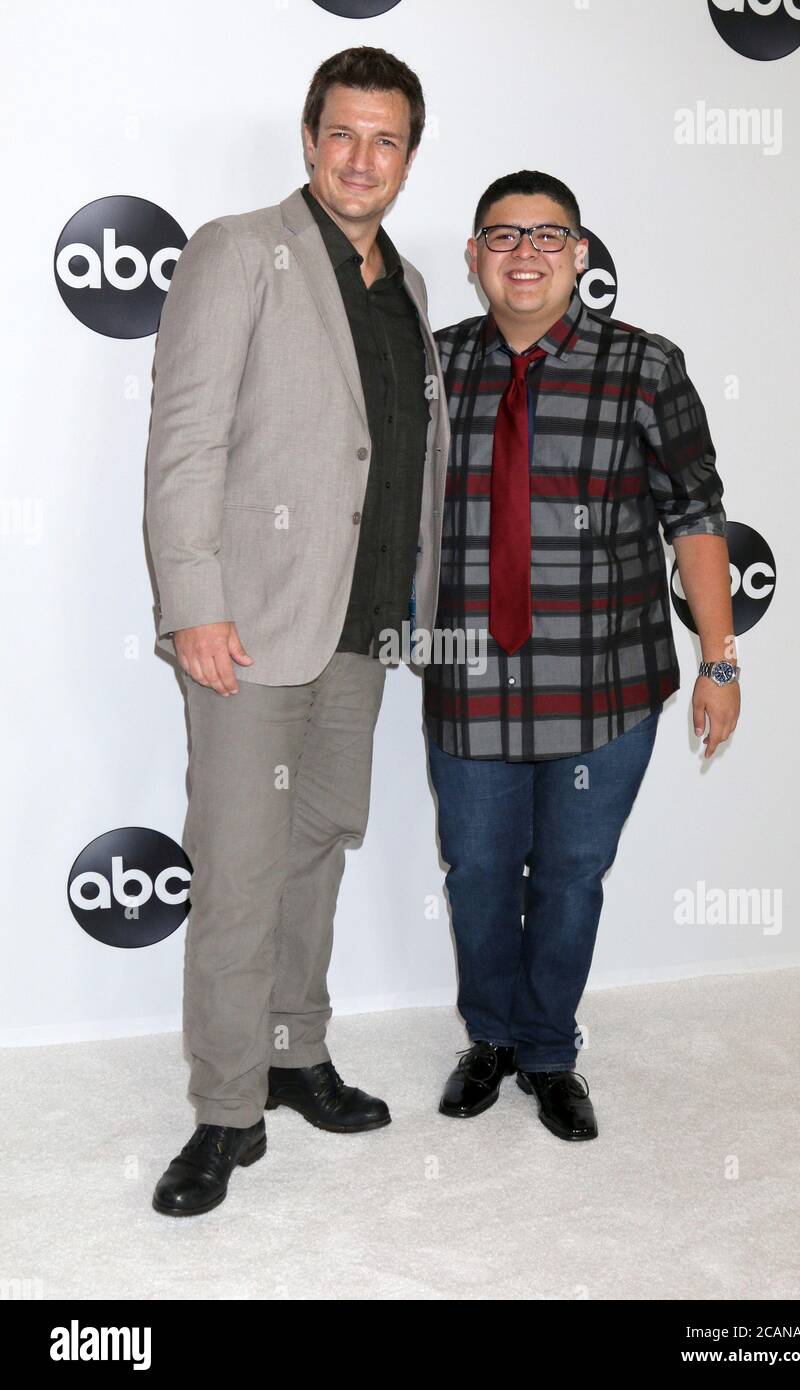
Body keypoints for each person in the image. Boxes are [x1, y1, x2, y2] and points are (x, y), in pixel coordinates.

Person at [144, 46, 448, 1215]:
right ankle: (225, 1111)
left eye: (385, 140)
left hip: (360, 629)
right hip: (253, 628)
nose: (360, 158)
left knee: (315, 850)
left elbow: (389, 459)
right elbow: (182, 449)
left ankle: (291, 1049)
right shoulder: (239, 252)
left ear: (407, 157)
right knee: (236, 869)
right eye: (341, 134)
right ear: (308, 138)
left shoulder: (408, 287)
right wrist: (196, 606)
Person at [423, 170, 739, 1142]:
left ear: (580, 255)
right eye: (503, 235)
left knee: (569, 877)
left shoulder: (644, 366)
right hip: (470, 680)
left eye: (548, 235)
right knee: (476, 873)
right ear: (474, 257)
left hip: (605, 685)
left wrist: (718, 660)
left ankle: (549, 1050)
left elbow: (692, 514)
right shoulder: (429, 370)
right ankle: (490, 1037)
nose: (525, 252)